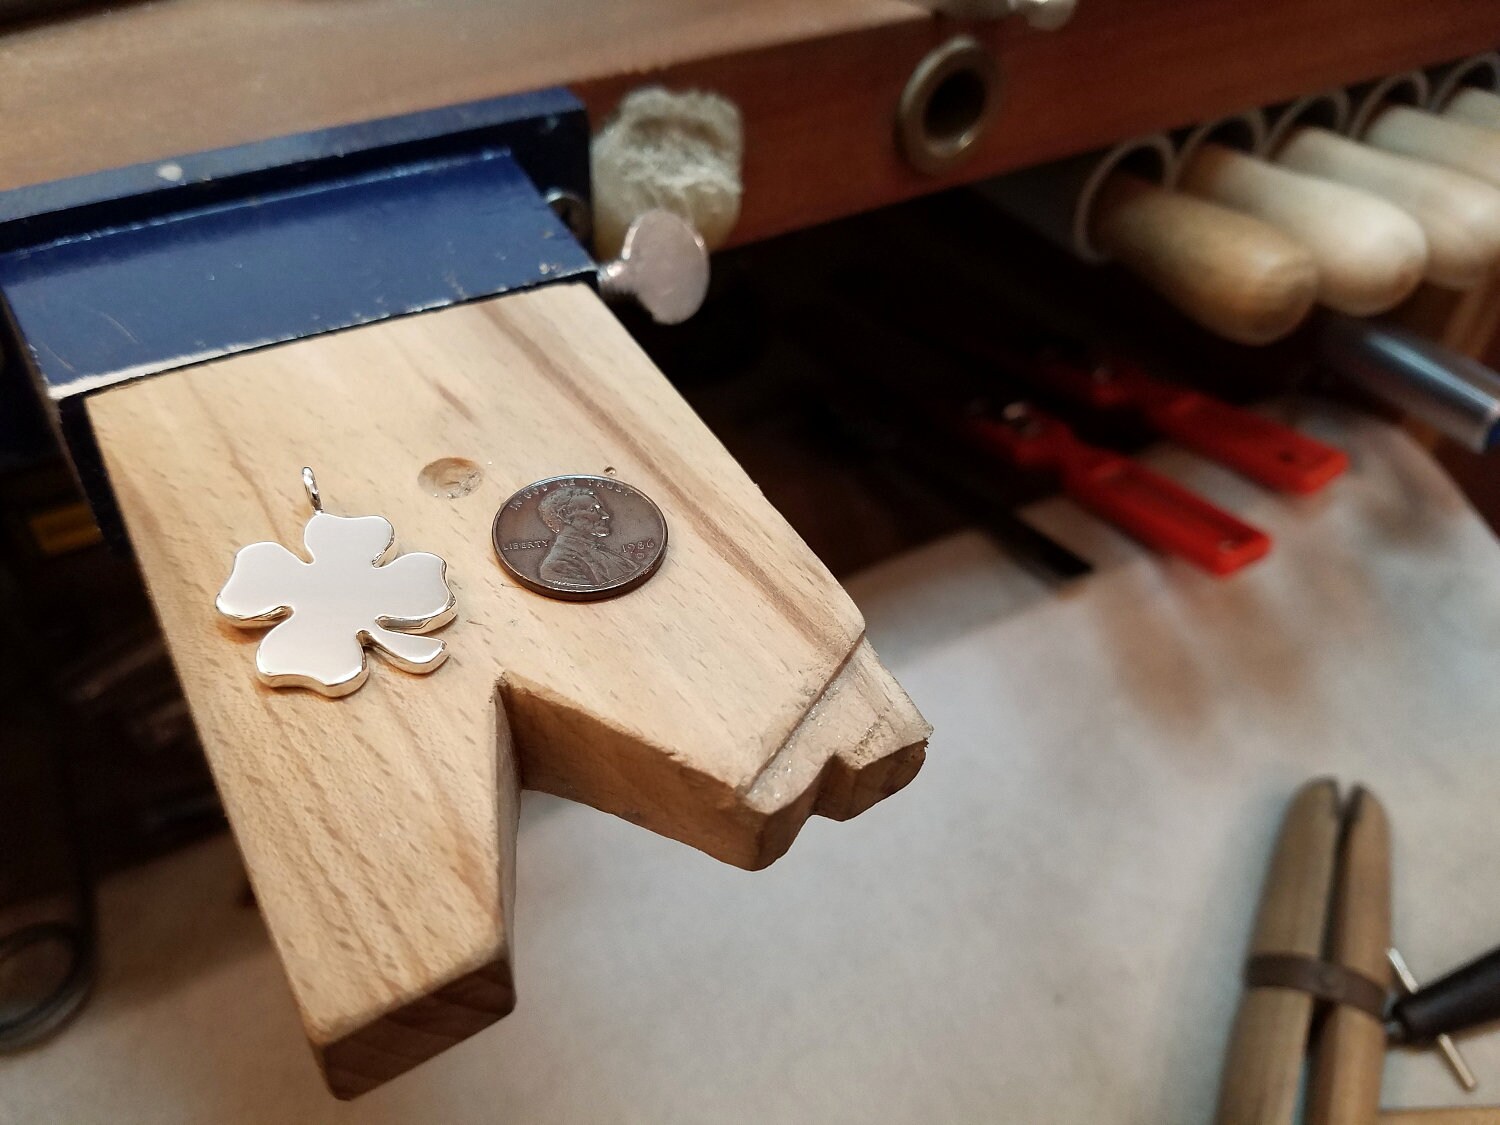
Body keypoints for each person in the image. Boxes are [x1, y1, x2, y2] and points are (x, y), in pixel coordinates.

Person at [536, 485, 642, 588]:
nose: (605, 515)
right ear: (565, 514)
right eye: (593, 510)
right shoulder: (557, 564)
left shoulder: (601, 550)